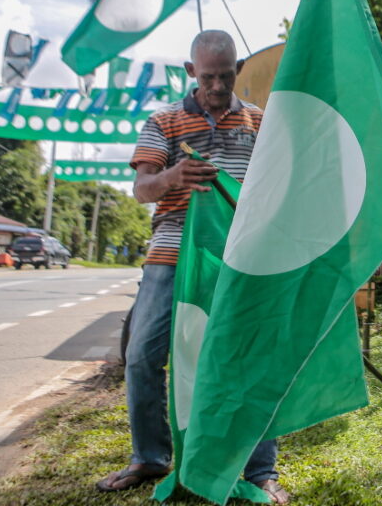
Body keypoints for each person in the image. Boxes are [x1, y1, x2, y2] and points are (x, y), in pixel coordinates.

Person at [96, 30, 290, 505]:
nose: (218, 85)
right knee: (142, 355)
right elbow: (143, 189)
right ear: (190, 72)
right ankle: (150, 457)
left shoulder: (260, 124)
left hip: (239, 256)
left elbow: (280, 184)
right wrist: (173, 176)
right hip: (171, 254)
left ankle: (260, 468)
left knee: (252, 356)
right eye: (208, 77)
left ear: (238, 69)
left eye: (226, 75)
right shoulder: (163, 122)